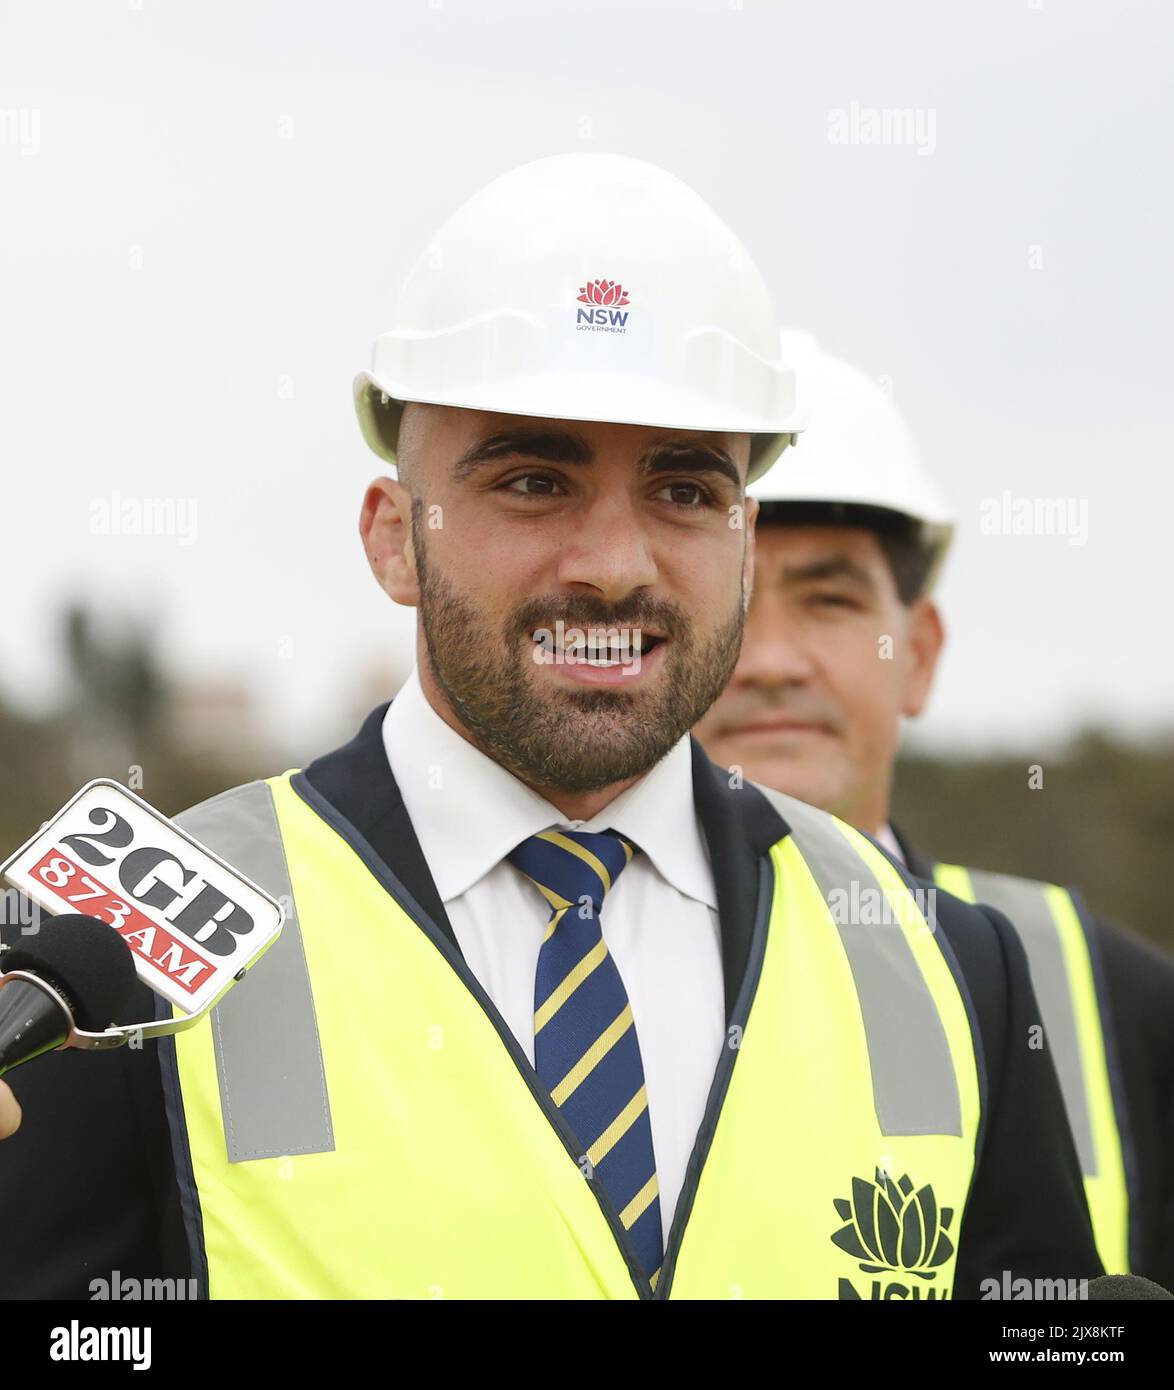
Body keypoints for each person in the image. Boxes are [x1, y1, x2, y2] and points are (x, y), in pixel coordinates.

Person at [0, 157, 1102, 1301]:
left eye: (684, 492)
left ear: (741, 545)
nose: (613, 565)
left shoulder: (942, 962)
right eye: (533, 481)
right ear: (392, 537)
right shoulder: (115, 944)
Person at [695, 331, 1174, 1288]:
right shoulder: (557, 969)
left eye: (829, 600)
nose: (772, 660)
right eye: (729, 599)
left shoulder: (1117, 998)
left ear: (917, 655)